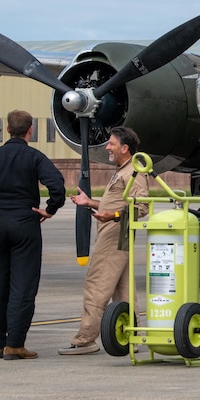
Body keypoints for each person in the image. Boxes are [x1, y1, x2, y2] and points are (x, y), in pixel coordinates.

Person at [0, 110, 65, 360]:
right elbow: (57, 185)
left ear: (7, 130)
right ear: (30, 130)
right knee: (23, 285)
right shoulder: (34, 157)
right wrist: (49, 209)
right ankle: (15, 343)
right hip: (26, 221)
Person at [59, 126, 149, 355]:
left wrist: (113, 216)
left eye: (111, 144)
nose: (108, 147)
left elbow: (142, 207)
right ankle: (131, 338)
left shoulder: (134, 172)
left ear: (125, 148)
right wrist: (90, 203)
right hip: (115, 231)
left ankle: (85, 339)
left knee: (96, 284)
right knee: (123, 290)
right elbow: (115, 204)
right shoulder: (123, 170)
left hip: (114, 233)